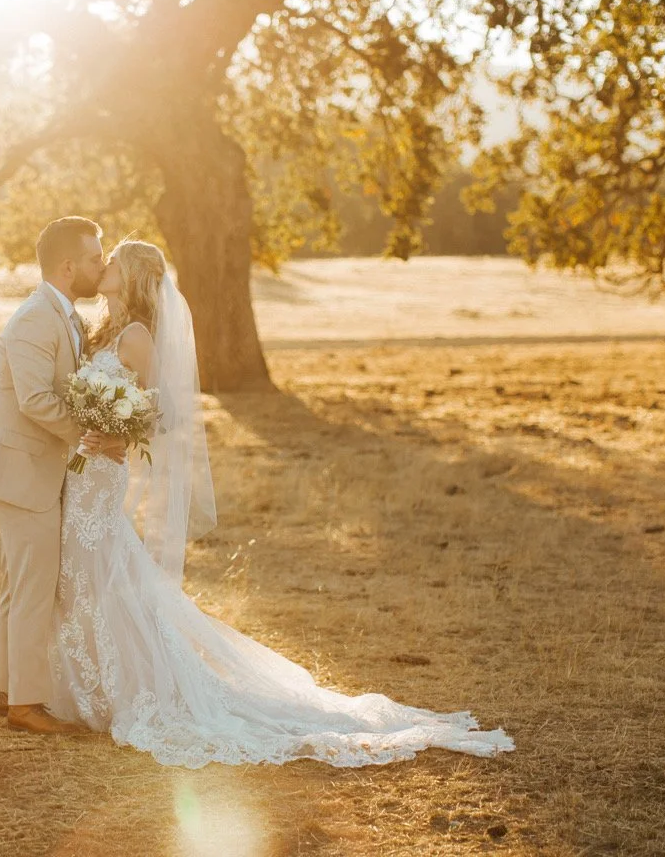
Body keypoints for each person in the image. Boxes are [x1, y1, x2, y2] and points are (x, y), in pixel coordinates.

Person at [44, 238, 516, 768]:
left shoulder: (136, 335)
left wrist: (118, 437)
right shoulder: (101, 330)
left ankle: (125, 690)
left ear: (131, 276)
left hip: (102, 471)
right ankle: (91, 683)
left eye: (113, 261)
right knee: (89, 575)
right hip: (82, 472)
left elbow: (164, 412)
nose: (104, 266)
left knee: (104, 572)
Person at [0, 216, 124, 734]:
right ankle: (27, 705)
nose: (101, 266)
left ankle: (9, 690)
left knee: (20, 584)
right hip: (21, 470)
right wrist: (89, 435)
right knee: (34, 586)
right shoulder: (36, 318)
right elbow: (35, 399)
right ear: (67, 266)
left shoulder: (66, 315)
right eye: (95, 258)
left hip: (30, 467)